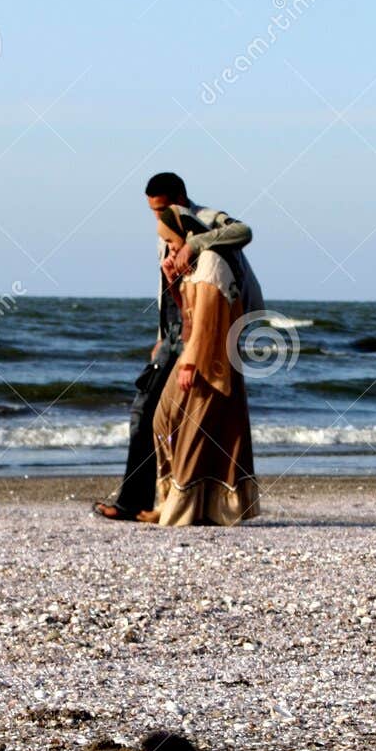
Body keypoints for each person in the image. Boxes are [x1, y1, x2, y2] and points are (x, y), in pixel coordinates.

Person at [93, 173, 257, 522]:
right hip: (175, 331)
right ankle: (153, 499)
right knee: (152, 413)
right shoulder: (164, 233)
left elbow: (244, 233)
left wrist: (195, 244)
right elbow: (170, 288)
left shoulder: (208, 219)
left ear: (180, 198)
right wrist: (159, 335)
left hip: (209, 332)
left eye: (163, 208)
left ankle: (165, 502)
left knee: (170, 414)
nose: (158, 218)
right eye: (153, 211)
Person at [138, 211, 261, 527]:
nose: (168, 248)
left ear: (186, 235)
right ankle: (171, 501)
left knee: (193, 433)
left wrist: (191, 361)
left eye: (170, 241)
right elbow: (187, 313)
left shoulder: (210, 264)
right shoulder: (191, 265)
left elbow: (207, 319)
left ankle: (183, 509)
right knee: (163, 422)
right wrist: (172, 283)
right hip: (194, 354)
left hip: (210, 360)